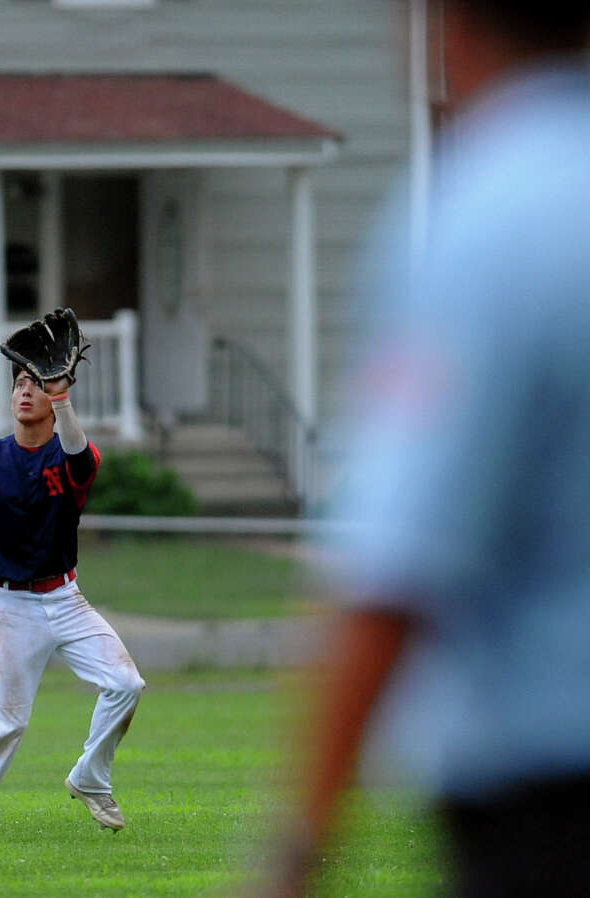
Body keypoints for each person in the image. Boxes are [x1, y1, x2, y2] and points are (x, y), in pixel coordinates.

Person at [259, 3, 590, 896]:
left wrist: (295, 853)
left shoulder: (491, 213)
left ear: (442, 25)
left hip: (554, 809)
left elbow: (397, 563)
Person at [0, 353, 146, 846]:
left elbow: (78, 452)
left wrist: (63, 393)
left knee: (125, 683)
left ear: (55, 400)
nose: (26, 391)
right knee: (9, 723)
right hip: (7, 607)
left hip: (64, 598)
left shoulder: (72, 459)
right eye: (20, 384)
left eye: (37, 385)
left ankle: (90, 776)